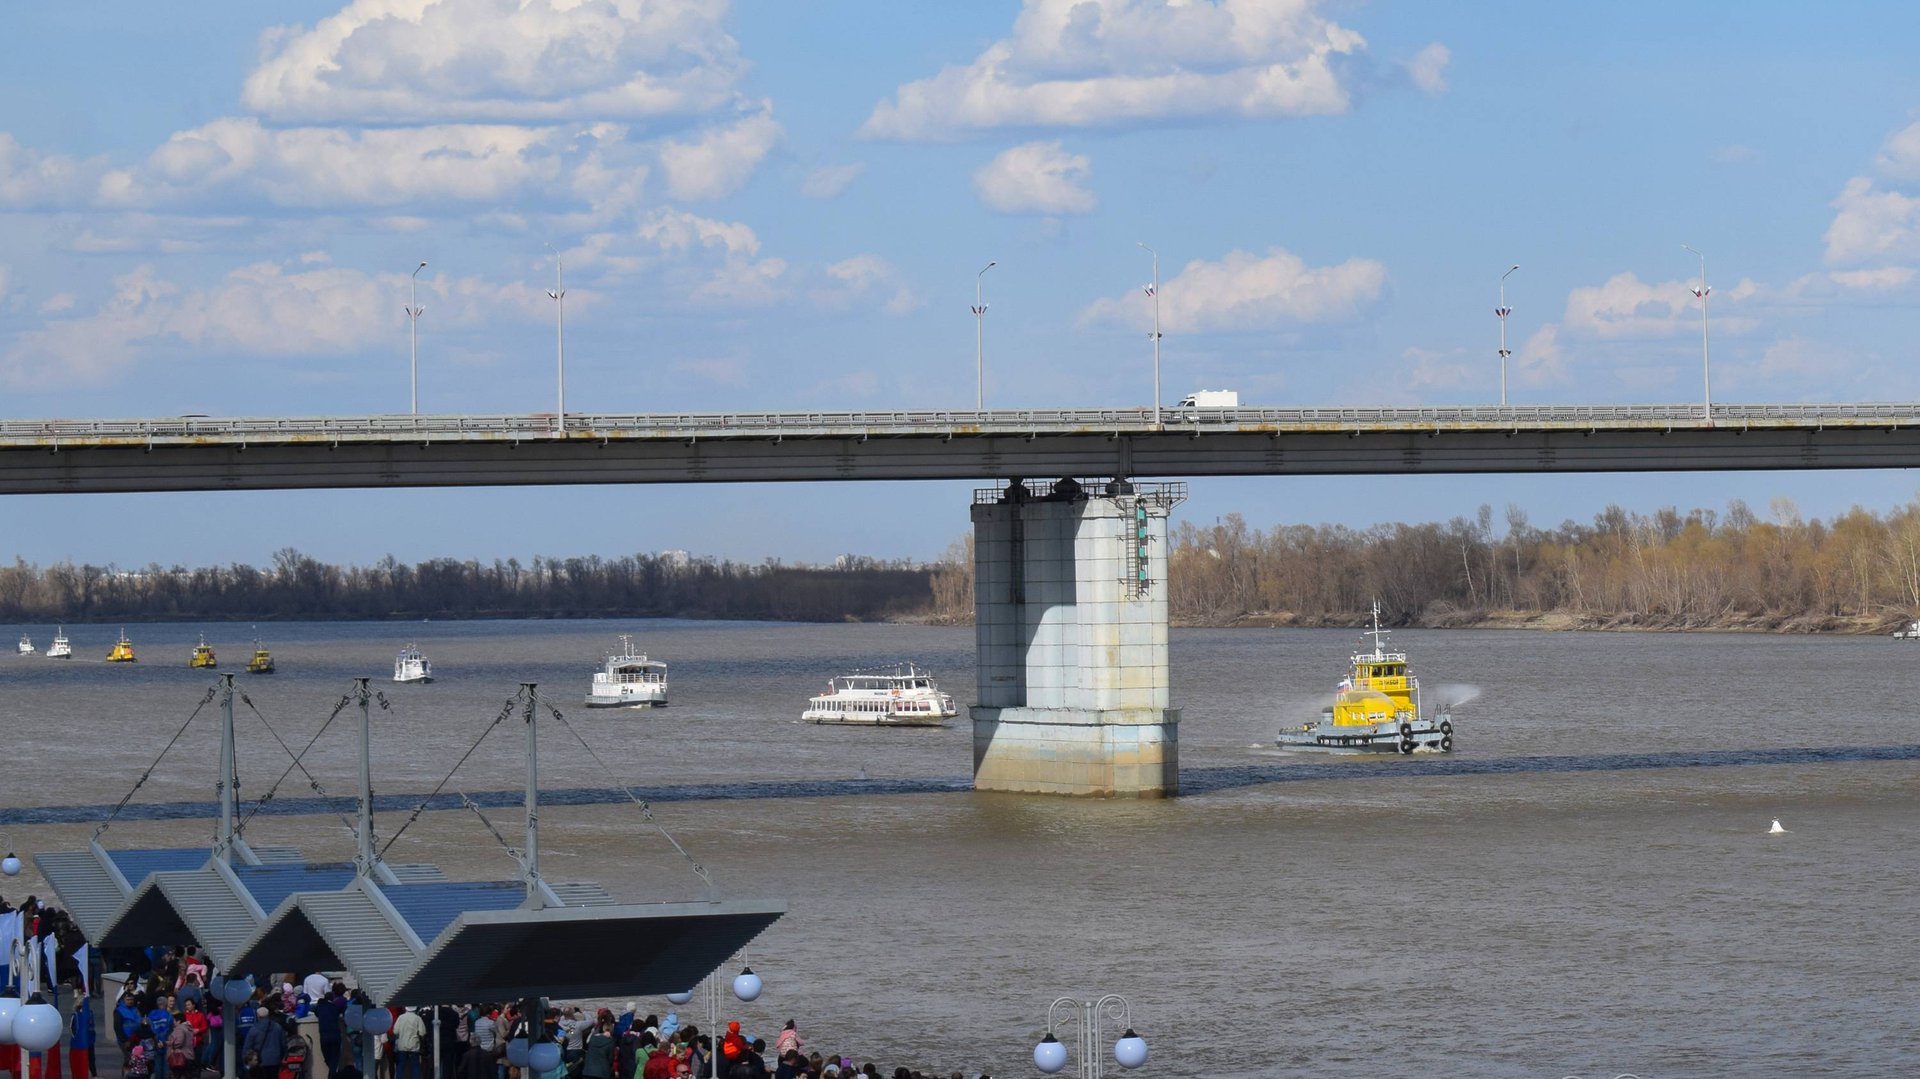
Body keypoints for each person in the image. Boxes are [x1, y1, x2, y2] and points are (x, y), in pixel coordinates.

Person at [240, 1007, 286, 1079]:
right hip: (275, 1060)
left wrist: (245, 1062)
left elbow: (247, 1047)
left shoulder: (254, 1029)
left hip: (260, 1061)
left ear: (258, 1016)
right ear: (268, 1015)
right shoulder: (278, 1027)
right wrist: (282, 1057)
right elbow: (283, 1044)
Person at [67, 982, 94, 1079]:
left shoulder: (90, 1014)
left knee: (90, 1060)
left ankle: (94, 1074)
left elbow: (92, 1028)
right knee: (78, 1067)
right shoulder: (76, 1015)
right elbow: (72, 1029)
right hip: (78, 1045)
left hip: (89, 1042)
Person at [393, 1007, 426, 1079]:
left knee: (401, 1065)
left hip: (402, 1045)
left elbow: (395, 1031)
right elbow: (422, 1033)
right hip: (414, 1045)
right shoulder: (417, 1018)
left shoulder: (400, 1017)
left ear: (405, 1009)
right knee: (415, 1066)